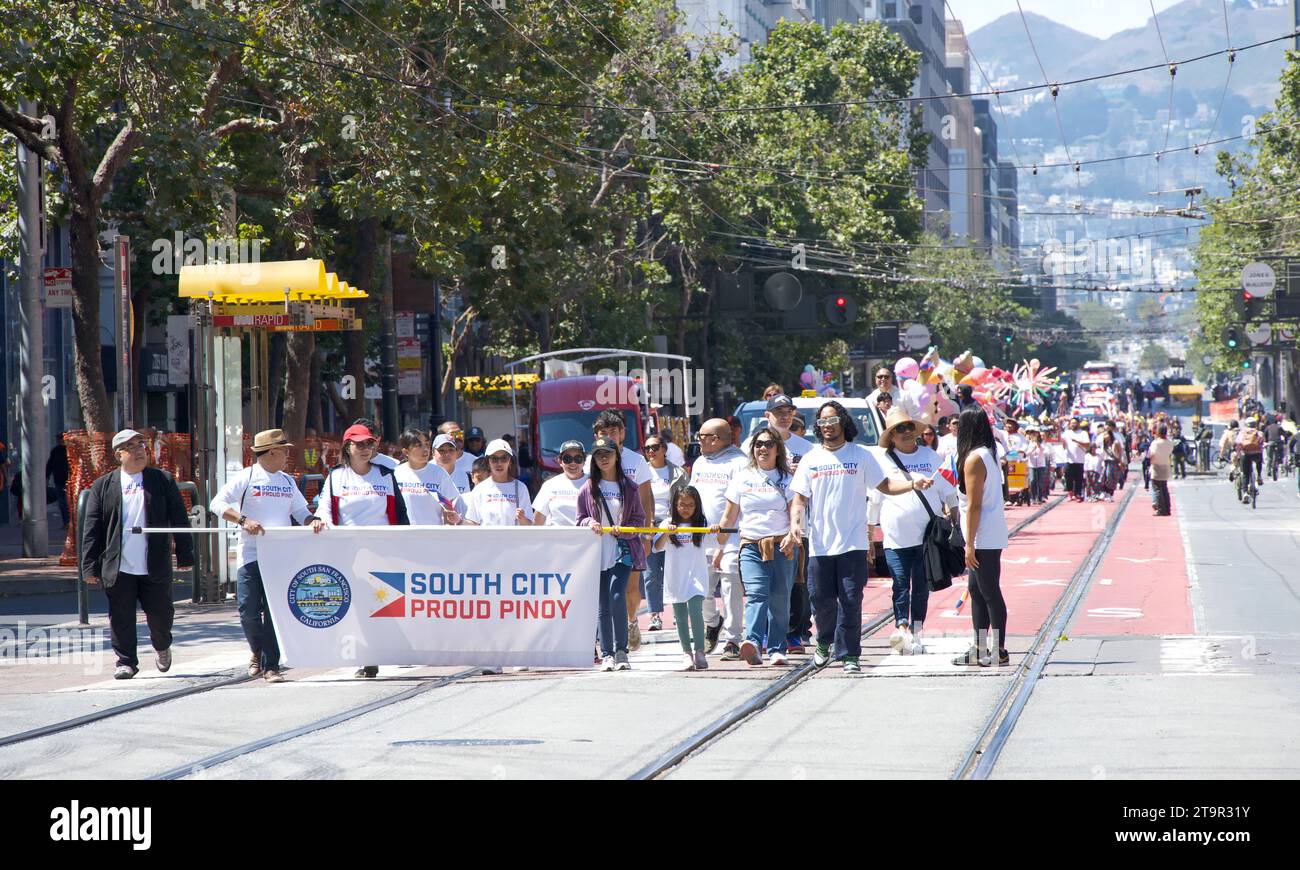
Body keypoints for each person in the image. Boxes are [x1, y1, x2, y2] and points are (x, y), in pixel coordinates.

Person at [785, 401, 934, 673]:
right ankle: (824, 642)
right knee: (821, 600)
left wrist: (913, 483)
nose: (828, 427)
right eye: (822, 423)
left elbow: (886, 485)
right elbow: (799, 499)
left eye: (832, 421)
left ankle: (850, 654)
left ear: (843, 422)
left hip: (853, 542)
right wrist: (795, 523)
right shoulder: (811, 459)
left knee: (851, 599)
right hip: (820, 545)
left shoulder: (861, 455)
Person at [210, 428, 325, 682]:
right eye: (284, 451)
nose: (287, 455)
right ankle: (256, 650)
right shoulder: (247, 477)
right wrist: (243, 519)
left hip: (281, 558)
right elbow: (217, 503)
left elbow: (301, 512)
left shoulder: (287, 481)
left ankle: (271, 666)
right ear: (272, 452)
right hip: (250, 555)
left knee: (273, 612)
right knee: (247, 611)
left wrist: (313, 521)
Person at [80, 430, 194, 680]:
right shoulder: (103, 485)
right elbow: (92, 528)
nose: (139, 450)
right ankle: (126, 662)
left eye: (141, 444)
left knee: (161, 614)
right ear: (118, 454)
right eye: (130, 447)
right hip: (119, 564)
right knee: (120, 616)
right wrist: (88, 566)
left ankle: (162, 645)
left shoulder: (161, 479)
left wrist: (185, 553)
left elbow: (179, 517)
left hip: (154, 562)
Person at [316, 423, 410, 678]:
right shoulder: (336, 476)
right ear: (347, 447)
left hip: (383, 550)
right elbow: (324, 508)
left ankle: (383, 651)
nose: (366, 449)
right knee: (358, 604)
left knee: (382, 604)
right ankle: (367, 658)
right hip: (349, 551)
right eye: (360, 444)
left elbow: (401, 514)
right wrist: (319, 520)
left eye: (369, 444)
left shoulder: (385, 474)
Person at [868, 408, 958, 657]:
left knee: (920, 588)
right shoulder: (883, 460)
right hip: (895, 537)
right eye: (900, 429)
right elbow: (875, 499)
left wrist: (955, 513)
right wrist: (868, 533)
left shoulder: (930, 456)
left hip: (926, 537)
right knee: (899, 585)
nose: (906, 433)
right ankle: (901, 627)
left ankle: (916, 632)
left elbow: (948, 490)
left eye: (909, 427)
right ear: (891, 436)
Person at [716, 427, 796, 666]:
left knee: (780, 599)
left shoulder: (787, 479)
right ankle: (752, 642)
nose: (763, 448)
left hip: (782, 545)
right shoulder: (742, 477)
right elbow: (729, 517)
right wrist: (718, 546)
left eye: (769, 444)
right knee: (756, 593)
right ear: (752, 449)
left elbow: (795, 513)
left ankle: (776, 648)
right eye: (759, 444)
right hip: (750, 545)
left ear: (777, 449)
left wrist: (793, 534)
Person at [585, 410, 654, 651]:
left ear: (622, 433)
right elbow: (587, 496)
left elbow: (646, 499)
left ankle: (631, 620)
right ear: (596, 435)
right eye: (604, 433)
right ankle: (607, 643)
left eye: (614, 432)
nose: (610, 436)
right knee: (606, 594)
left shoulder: (636, 461)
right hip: (600, 538)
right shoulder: (591, 460)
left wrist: (646, 533)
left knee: (630, 589)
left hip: (629, 536)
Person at [577, 437, 647, 672]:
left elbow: (639, 519)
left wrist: (624, 529)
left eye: (607, 453)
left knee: (617, 596)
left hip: (622, 549)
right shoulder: (588, 488)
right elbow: (580, 519)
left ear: (617, 455)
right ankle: (606, 653)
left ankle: (621, 651)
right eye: (598, 454)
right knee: (602, 603)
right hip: (597, 551)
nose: (603, 458)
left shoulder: (629, 486)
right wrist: (590, 522)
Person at [951, 408, 1011, 668]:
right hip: (990, 531)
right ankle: (979, 647)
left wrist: (969, 544)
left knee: (988, 591)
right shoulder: (991, 452)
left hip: (983, 534)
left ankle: (998, 650)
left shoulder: (975, 458)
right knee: (976, 590)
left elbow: (974, 505)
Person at [688, 418, 747, 658]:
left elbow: (739, 503)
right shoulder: (700, 462)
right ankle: (712, 622)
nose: (698, 440)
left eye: (701, 436)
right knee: (700, 587)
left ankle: (733, 639)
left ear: (715, 439)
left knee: (731, 587)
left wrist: (725, 537)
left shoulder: (740, 463)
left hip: (732, 536)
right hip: (702, 537)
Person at [654, 486, 715, 671]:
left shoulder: (702, 524)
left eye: (690, 505)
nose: (686, 508)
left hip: (696, 575)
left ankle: (699, 651)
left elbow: (719, 540)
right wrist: (666, 533)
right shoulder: (667, 523)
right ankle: (686, 652)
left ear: (697, 506)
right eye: (682, 505)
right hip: (676, 576)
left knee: (695, 610)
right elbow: (656, 547)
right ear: (674, 505)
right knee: (680, 615)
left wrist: (716, 530)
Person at [641, 433, 686, 632]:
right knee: (651, 574)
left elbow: (686, 501)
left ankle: (677, 611)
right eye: (647, 448)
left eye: (655, 447)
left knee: (674, 571)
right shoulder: (642, 473)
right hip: (649, 526)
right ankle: (654, 615)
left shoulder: (678, 473)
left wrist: (677, 522)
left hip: (672, 525)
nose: (651, 451)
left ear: (664, 449)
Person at [394, 428, 464, 526]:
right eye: (418, 445)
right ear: (406, 452)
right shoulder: (396, 473)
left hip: (433, 536)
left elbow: (448, 506)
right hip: (404, 535)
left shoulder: (439, 473)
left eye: (427, 444)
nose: (425, 449)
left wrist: (451, 518)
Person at [461, 439, 532, 527]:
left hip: (513, 540)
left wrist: (523, 519)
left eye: (504, 458)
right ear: (488, 462)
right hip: (487, 540)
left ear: (510, 461)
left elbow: (530, 525)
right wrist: (458, 520)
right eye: (494, 459)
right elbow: (473, 522)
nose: (499, 463)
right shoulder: (480, 489)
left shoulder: (520, 488)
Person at [532, 440, 588, 527]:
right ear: (560, 461)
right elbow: (537, 522)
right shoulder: (550, 485)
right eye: (567, 459)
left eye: (578, 459)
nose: (573, 463)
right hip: (556, 539)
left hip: (587, 539)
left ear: (584, 461)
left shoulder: (594, 483)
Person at [1148, 425, 1175, 516]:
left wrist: (1149, 463)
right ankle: (1167, 509)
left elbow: (1151, 454)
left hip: (1156, 466)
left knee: (1157, 489)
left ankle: (1160, 509)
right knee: (1164, 488)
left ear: (1158, 433)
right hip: (1165, 466)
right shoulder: (1169, 443)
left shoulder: (1155, 443)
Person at [1235, 417, 1265, 496]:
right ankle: (1259, 476)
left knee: (1245, 474)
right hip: (1256, 454)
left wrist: (1238, 455)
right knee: (1259, 461)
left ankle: (1245, 493)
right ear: (1255, 424)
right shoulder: (1259, 433)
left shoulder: (1242, 433)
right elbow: (1262, 444)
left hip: (1245, 454)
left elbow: (1238, 444)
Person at [1062, 418, 1089, 502]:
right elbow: (1062, 443)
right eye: (1072, 423)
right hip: (1069, 459)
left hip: (1080, 460)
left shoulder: (1083, 433)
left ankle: (1077, 494)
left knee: (1078, 479)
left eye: (1075, 423)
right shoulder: (1067, 433)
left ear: (1078, 424)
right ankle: (1070, 494)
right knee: (1068, 477)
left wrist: (1077, 441)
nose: (1073, 424)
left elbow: (1087, 444)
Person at [48, 436, 70, 526]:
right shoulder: (55, 451)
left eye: (63, 438)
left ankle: (70, 522)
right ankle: (66, 522)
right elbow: (50, 464)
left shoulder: (70, 450)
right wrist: (47, 476)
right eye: (60, 439)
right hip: (59, 480)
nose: (61, 440)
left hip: (70, 480)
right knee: (62, 503)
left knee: (68, 502)